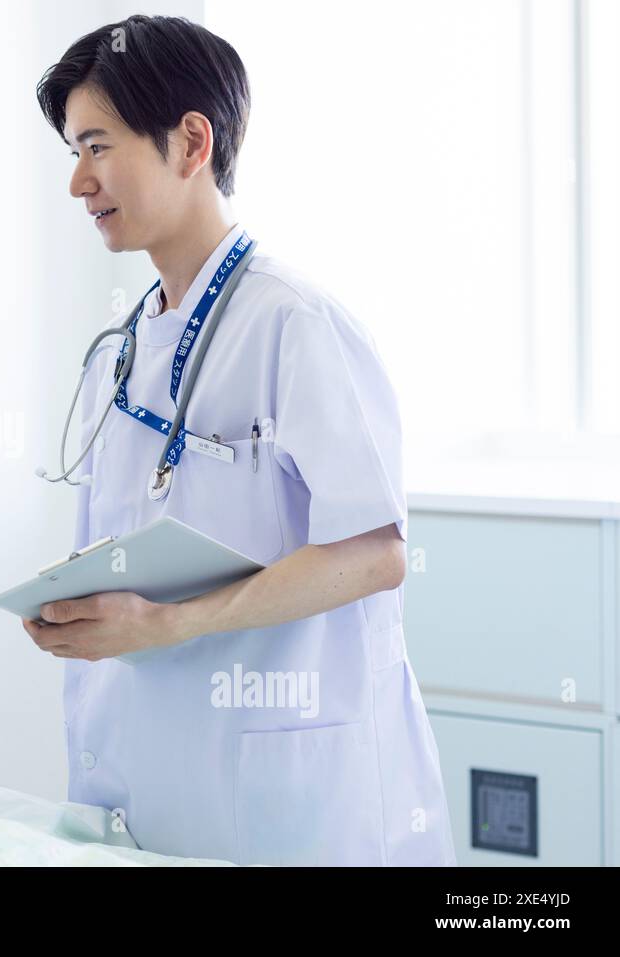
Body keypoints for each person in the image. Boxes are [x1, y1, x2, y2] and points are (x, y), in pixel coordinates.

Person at [25, 15, 455, 865]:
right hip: (150, 774)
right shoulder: (124, 346)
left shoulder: (296, 325)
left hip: (291, 792)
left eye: (98, 145)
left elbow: (375, 553)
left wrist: (169, 621)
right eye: (73, 151)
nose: (79, 181)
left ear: (191, 141)